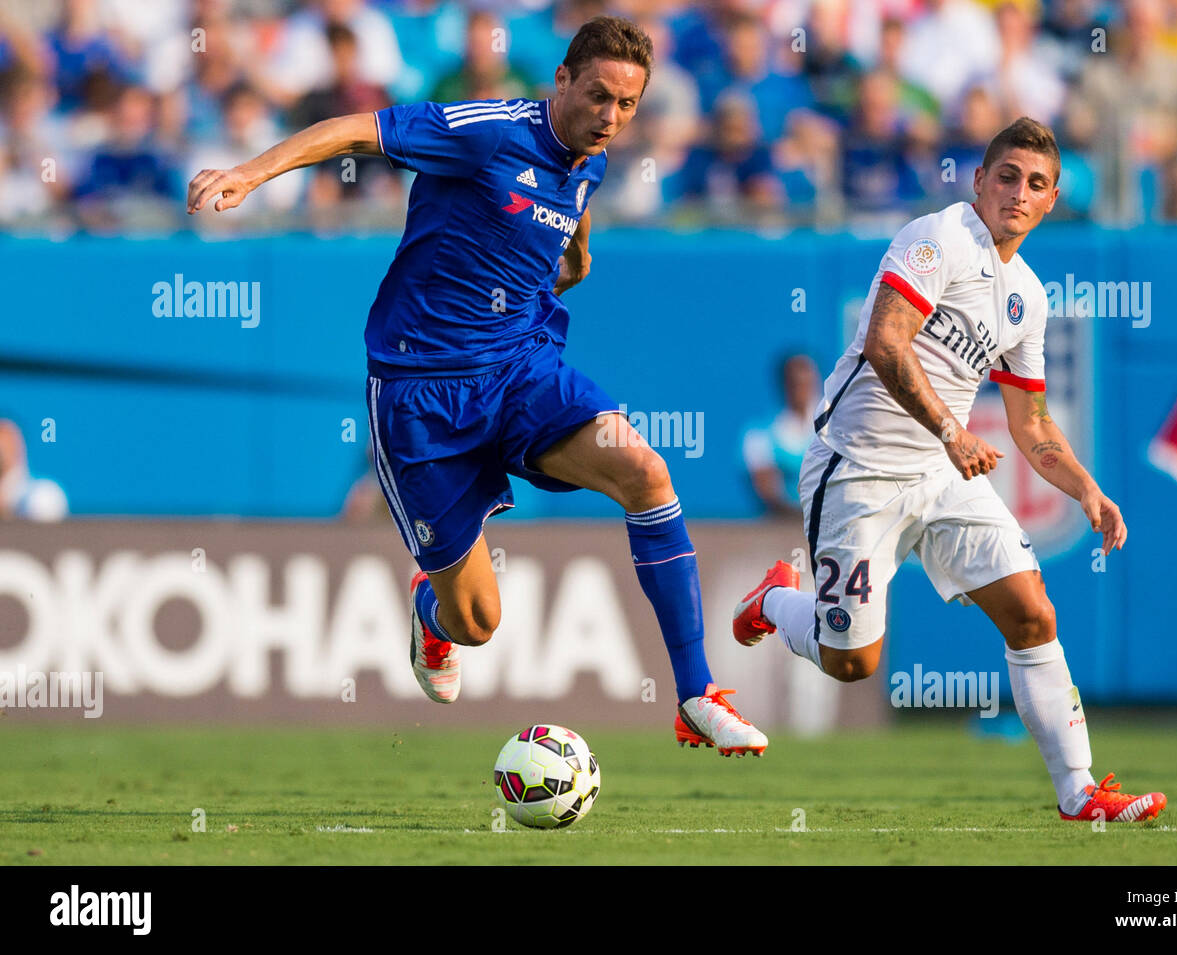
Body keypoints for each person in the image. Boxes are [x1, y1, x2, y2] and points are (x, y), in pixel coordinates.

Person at [186, 16, 767, 757]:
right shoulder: (487, 131)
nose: (611, 117)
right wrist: (249, 173)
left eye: (627, 104)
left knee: (646, 472)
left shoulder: (590, 159)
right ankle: (432, 615)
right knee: (476, 622)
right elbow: (357, 131)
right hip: (421, 391)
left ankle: (694, 695)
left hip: (522, 368)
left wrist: (575, 254)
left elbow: (571, 205)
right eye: (598, 96)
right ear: (561, 79)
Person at [731, 117, 1168, 821]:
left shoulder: (1028, 295)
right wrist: (951, 430)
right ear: (980, 180)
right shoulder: (939, 238)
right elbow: (886, 342)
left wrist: (1086, 488)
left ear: (1052, 200)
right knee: (852, 662)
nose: (1018, 193)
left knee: (1033, 613)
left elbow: (1031, 422)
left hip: (942, 475)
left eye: (1035, 184)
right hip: (859, 469)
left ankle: (1079, 791)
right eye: (1007, 176)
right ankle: (777, 602)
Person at [742, 353, 818, 518]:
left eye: (808, 384)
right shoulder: (758, 435)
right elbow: (769, 493)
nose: (802, 391)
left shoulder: (835, 429)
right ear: (784, 385)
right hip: (782, 527)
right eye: (796, 384)